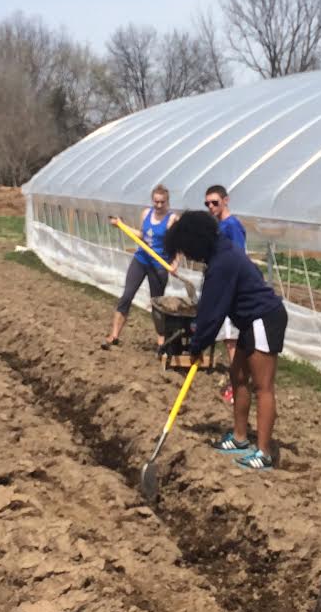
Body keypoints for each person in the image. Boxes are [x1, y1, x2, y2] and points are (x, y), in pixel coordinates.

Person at [164, 210, 287, 471]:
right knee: (238, 376)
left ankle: (264, 453)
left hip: (263, 319)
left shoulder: (222, 263)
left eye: (187, 249)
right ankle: (240, 438)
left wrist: (197, 346)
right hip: (248, 320)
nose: (189, 256)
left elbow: (212, 312)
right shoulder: (221, 253)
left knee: (262, 386)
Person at [103, 184, 179, 350]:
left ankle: (161, 343)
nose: (158, 206)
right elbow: (141, 235)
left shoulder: (172, 219)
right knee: (127, 296)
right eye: (156, 202)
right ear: (152, 200)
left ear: (167, 202)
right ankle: (114, 336)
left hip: (159, 265)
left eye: (162, 202)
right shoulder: (146, 213)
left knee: (157, 305)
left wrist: (175, 263)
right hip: (141, 260)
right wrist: (121, 225)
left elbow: (178, 243)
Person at [204, 184, 246, 403]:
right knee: (228, 341)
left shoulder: (232, 226)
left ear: (225, 200)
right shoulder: (220, 226)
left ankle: (237, 387)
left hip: (232, 290)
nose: (211, 207)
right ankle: (237, 383)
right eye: (207, 203)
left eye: (215, 202)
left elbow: (238, 258)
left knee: (232, 341)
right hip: (223, 289)